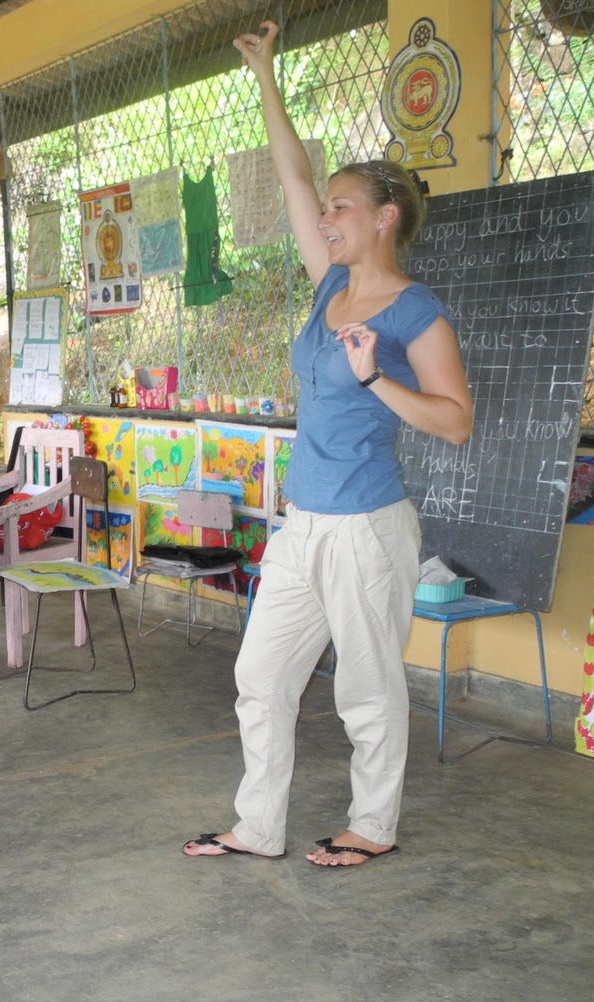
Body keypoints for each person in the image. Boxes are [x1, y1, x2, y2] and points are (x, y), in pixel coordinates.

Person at [184, 21, 472, 870]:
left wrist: (378, 377)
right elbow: (292, 172)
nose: (323, 216)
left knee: (368, 688)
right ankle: (257, 827)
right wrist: (266, 74)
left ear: (383, 220)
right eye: (326, 209)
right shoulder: (331, 285)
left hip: (368, 529)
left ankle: (373, 825)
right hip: (302, 525)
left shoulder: (415, 311)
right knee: (260, 678)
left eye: (341, 208)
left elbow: (455, 420)